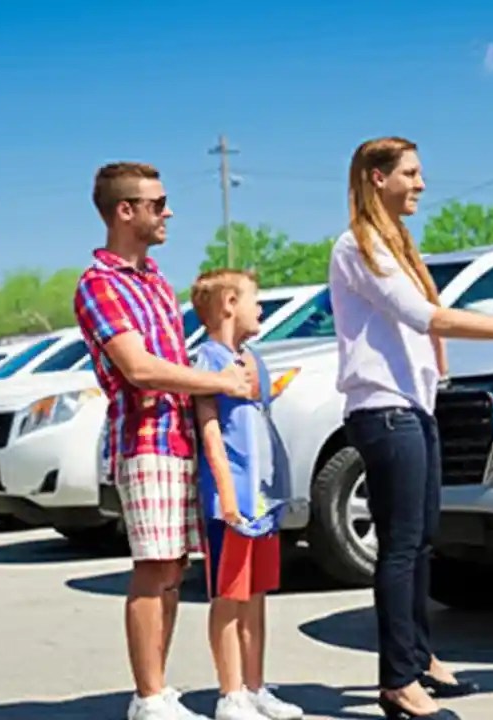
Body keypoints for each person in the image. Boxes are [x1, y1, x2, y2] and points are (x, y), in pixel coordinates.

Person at [328, 136, 493, 720]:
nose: (419, 184)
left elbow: (426, 323)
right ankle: (397, 682)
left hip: (415, 406)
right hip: (383, 409)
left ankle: (419, 658)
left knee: (421, 541)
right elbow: (424, 316)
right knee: (399, 546)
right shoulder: (357, 246)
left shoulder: (397, 244)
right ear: (375, 178)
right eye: (409, 174)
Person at [73, 162, 257, 720]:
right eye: (157, 203)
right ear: (124, 211)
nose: (167, 212)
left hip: (178, 439)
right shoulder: (98, 284)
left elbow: (173, 361)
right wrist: (222, 381)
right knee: (153, 567)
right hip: (145, 439)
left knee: (173, 568)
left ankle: (159, 692)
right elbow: (140, 368)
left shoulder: (153, 280)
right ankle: (148, 697)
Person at [189, 269, 304, 720]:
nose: (261, 308)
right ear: (229, 304)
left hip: (263, 499)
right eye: (255, 299)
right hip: (232, 501)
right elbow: (211, 431)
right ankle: (230, 693)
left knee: (256, 595)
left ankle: (256, 687)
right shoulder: (207, 360)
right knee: (229, 595)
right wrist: (226, 492)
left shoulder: (253, 358)